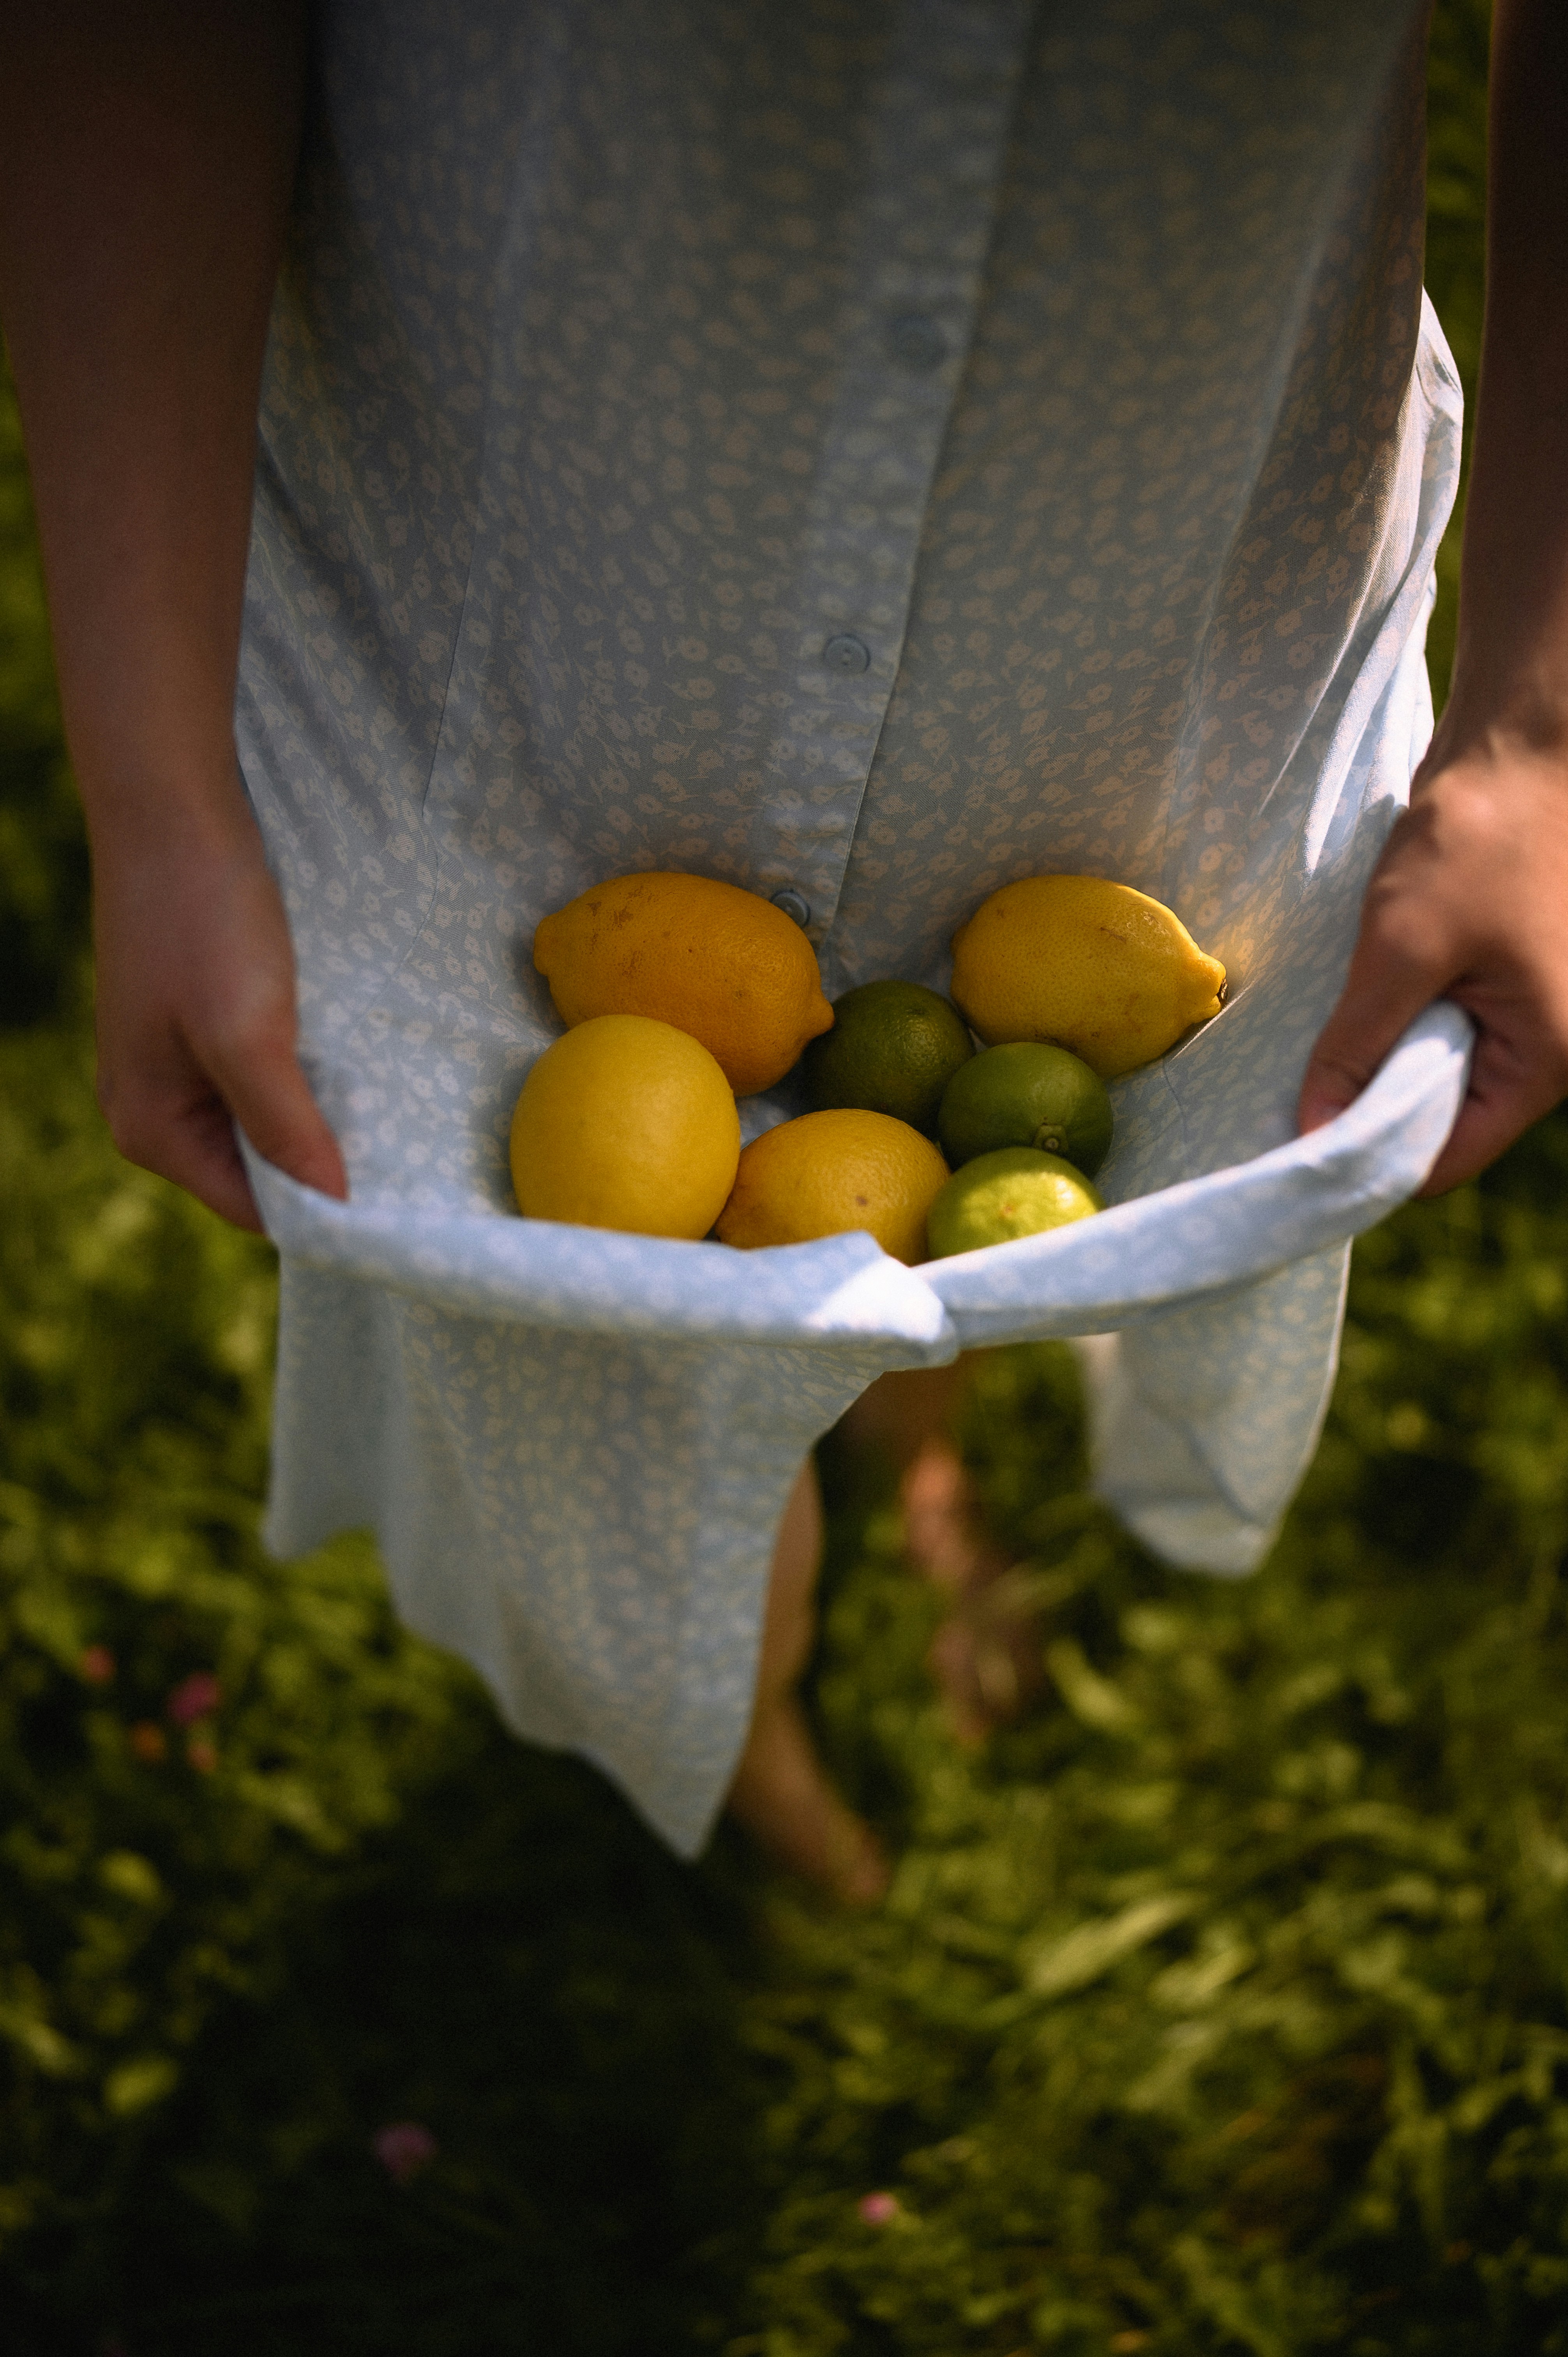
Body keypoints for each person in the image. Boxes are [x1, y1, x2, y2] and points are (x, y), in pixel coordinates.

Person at [4, 1, 1566, 1903]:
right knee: (624, 1408)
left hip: (1123, 615)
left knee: (978, 1221)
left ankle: (913, 1444)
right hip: (540, 659)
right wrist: (155, 794)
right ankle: (749, 1750)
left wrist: (1539, 725)